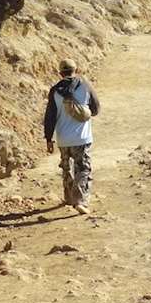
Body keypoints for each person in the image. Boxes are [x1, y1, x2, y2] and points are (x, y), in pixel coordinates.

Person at [43, 58, 100, 214]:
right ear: (76, 70)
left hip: (63, 138)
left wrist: (49, 138)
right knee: (83, 169)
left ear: (60, 73)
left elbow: (50, 117)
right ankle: (80, 201)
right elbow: (95, 110)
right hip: (82, 137)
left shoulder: (55, 91)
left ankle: (69, 198)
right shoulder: (85, 86)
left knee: (66, 168)